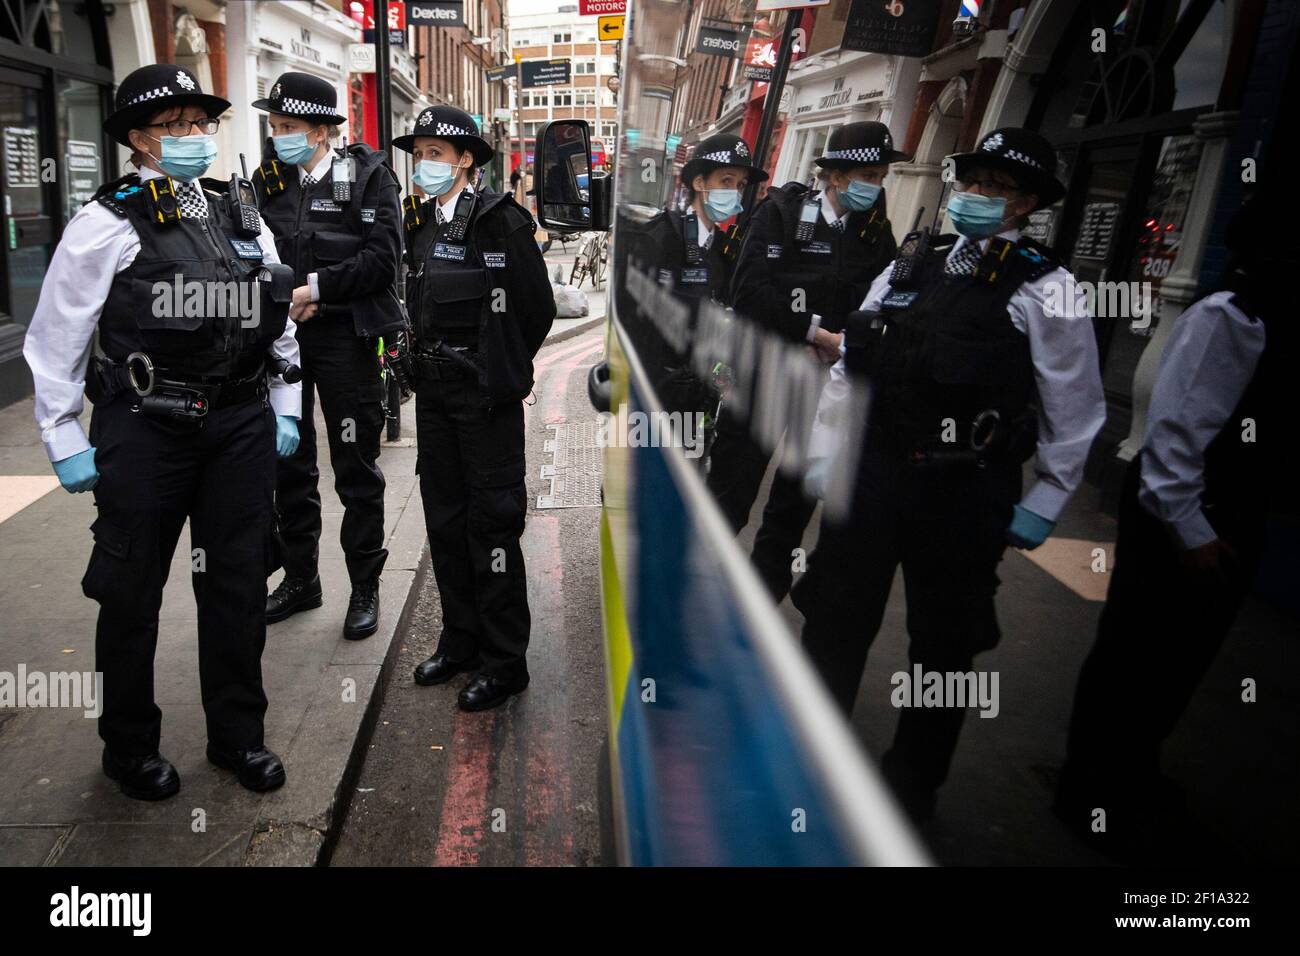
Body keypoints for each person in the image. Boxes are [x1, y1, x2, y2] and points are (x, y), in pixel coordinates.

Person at [792, 128, 1107, 822]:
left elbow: (1074, 405)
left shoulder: (1048, 287)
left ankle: (911, 786)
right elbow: (851, 364)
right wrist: (824, 447)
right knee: (835, 622)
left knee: (943, 647)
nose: (979, 197)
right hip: (873, 476)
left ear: (1026, 203)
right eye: (973, 182)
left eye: (998, 188)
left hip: (963, 491)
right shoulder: (912, 262)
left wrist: (1049, 498)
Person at [22, 64, 301, 799]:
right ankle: (129, 746)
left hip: (237, 424)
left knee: (236, 584)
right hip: (146, 428)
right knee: (130, 590)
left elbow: (271, 310)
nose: (190, 138)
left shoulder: (239, 210)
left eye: (198, 124)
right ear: (139, 140)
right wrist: (63, 436)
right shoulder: (106, 221)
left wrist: (287, 405)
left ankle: (238, 737)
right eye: (172, 126)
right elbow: (57, 336)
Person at [1055, 192, 1292, 857]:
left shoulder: (1261, 313)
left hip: (1223, 513)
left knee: (1178, 663)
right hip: (1183, 513)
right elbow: (1178, 432)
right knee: (1136, 658)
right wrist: (1191, 530)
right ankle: (1091, 793)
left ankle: (1131, 771)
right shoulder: (1232, 316)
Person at [394, 106, 556, 711]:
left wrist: (500, 369)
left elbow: (536, 308)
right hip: (434, 400)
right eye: (420, 153)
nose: (424, 164)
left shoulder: (502, 223)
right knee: (445, 522)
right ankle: (460, 642)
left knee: (492, 527)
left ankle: (504, 661)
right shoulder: (422, 226)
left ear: (465, 161)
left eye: (436, 153)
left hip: (484, 401)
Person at [720, 121, 905, 600]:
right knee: (731, 493)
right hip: (763, 374)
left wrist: (843, 343)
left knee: (791, 506)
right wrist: (816, 331)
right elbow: (750, 291)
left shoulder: (876, 232)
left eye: (882, 177)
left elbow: (880, 304)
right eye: (870, 175)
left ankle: (761, 604)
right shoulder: (779, 212)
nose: (876, 186)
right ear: (837, 176)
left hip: (825, 386)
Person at [251, 72, 405, 639]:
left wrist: (310, 291)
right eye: (273, 126)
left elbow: (382, 260)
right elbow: (250, 253)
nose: (278, 136)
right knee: (288, 462)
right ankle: (301, 578)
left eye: (287, 127)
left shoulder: (368, 177)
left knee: (355, 466)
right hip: (285, 340)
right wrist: (280, 305)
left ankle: (364, 585)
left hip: (347, 339)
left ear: (320, 130)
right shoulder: (266, 182)